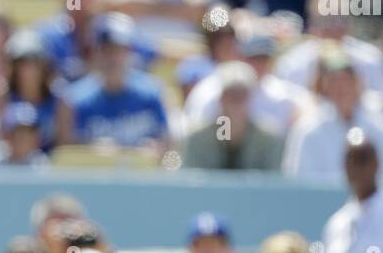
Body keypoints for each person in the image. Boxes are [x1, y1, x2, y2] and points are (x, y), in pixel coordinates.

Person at [283, 47, 383, 183]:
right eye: (333, 81)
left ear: (358, 83)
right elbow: (299, 182)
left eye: (346, 79)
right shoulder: (307, 129)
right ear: (324, 86)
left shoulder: (382, 127)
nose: (341, 87)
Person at [61, 12, 169, 149]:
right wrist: (89, 151)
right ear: (95, 53)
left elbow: (171, 150)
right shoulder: (74, 99)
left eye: (119, 51)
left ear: (130, 52)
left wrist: (155, 150)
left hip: (141, 170)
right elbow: (65, 156)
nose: (113, 59)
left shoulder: (152, 92)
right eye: (107, 51)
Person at [182, 61, 285, 171]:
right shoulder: (198, 138)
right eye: (231, 94)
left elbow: (274, 181)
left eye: (242, 94)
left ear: (251, 98)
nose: (236, 100)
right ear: (221, 98)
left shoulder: (268, 139)